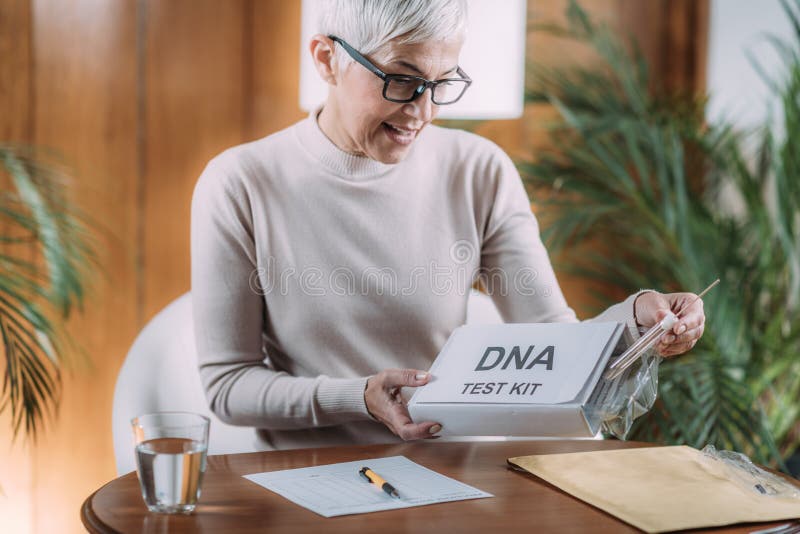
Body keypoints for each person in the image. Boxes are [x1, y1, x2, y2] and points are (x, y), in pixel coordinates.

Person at [190, 0, 706, 451]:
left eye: (442, 83)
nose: (424, 110)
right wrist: (359, 397)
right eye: (402, 80)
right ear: (327, 59)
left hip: (448, 474)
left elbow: (554, 345)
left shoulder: (477, 171)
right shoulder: (241, 183)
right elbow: (229, 387)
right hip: (303, 478)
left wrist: (636, 321)